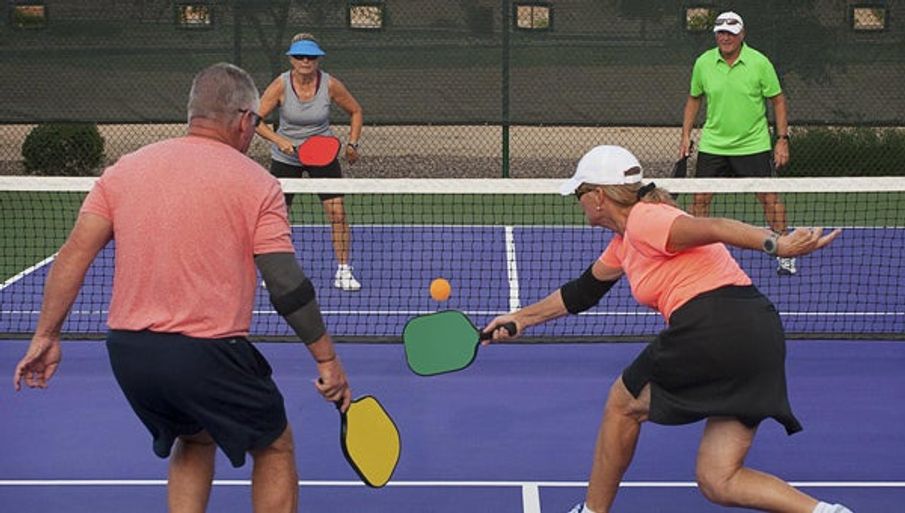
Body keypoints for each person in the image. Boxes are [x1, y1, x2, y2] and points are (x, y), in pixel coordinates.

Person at [12, 62, 351, 513]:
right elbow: (285, 283)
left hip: (129, 354)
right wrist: (327, 359)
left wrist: (46, 335)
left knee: (195, 437)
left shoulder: (125, 170)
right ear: (245, 121)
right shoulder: (257, 183)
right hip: (207, 353)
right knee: (274, 445)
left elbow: (73, 254)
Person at [483, 146, 850, 513]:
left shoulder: (647, 219)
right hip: (757, 333)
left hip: (713, 323)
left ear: (598, 197)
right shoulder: (625, 242)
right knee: (718, 479)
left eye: (579, 193)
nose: (578, 201)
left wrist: (777, 244)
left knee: (622, 403)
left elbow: (715, 227)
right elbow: (583, 292)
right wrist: (521, 319)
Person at [680, 11, 797, 275]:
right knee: (699, 199)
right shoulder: (703, 63)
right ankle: (697, 254)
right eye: (721, 33)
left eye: (731, 33)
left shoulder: (760, 63)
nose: (726, 38)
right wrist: (685, 135)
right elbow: (694, 98)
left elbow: (778, 100)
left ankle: (785, 252)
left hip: (753, 145)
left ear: (741, 34)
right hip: (713, 145)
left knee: (769, 199)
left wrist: (782, 139)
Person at [256, 33, 364, 291]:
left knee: (337, 213)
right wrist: (279, 140)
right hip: (286, 157)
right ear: (291, 59)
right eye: (300, 56)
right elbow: (255, 119)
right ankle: (276, 270)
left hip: (322, 156)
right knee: (278, 216)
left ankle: (343, 271)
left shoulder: (330, 84)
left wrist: (352, 144)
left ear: (318, 59)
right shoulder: (280, 85)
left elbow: (356, 111)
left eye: (311, 57)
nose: (305, 61)